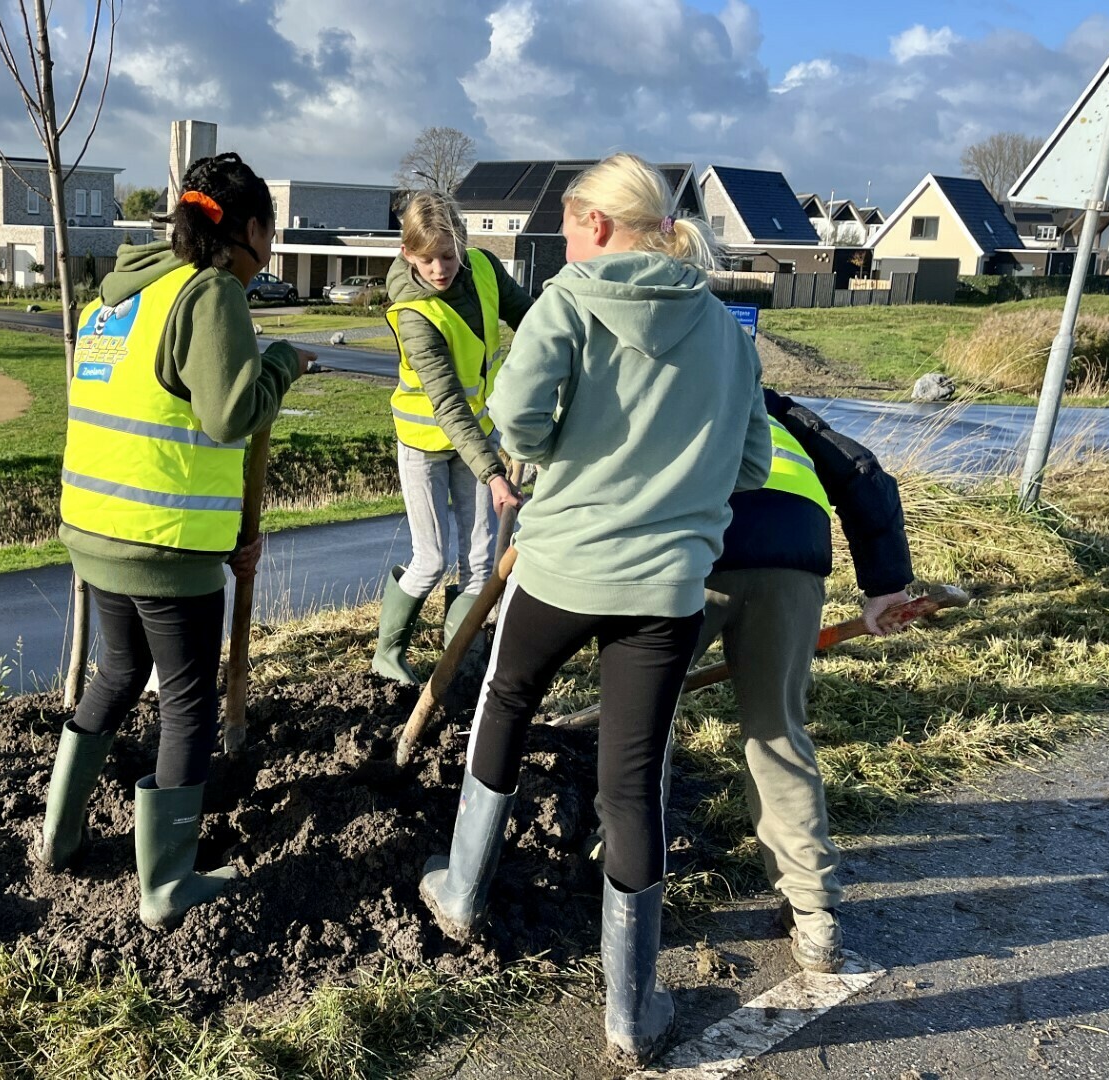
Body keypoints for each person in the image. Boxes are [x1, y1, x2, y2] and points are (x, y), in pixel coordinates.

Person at [416, 154, 771, 1067]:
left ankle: (459, 892)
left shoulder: (571, 300)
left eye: (569, 226)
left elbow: (516, 421)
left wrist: (564, 462)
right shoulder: (730, 333)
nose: (564, 243)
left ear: (600, 226)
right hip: (666, 591)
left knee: (506, 703)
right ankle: (631, 1012)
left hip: (563, 567)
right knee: (633, 780)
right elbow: (751, 467)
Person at [38, 152, 312, 931]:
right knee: (187, 701)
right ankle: (166, 885)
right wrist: (282, 364)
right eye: (272, 234)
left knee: (119, 671)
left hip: (96, 526)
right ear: (250, 230)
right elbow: (229, 414)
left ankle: (58, 836)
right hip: (163, 541)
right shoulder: (211, 291)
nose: (271, 252)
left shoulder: (122, 292)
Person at [698, 389, 914, 971]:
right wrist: (885, 584)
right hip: (791, 558)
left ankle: (619, 871)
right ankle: (814, 912)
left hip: (692, 553)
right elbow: (863, 472)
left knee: (641, 723)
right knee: (776, 731)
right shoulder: (778, 406)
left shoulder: (667, 376)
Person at [371, 191, 532, 683]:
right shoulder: (414, 314)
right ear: (407, 255)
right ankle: (388, 654)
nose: (439, 269)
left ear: (462, 246)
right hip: (426, 442)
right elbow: (448, 405)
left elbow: (530, 319)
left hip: (477, 437)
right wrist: (495, 474)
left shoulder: (483, 268)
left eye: (447, 256)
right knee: (432, 558)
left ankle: (456, 663)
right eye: (426, 260)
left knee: (481, 561)